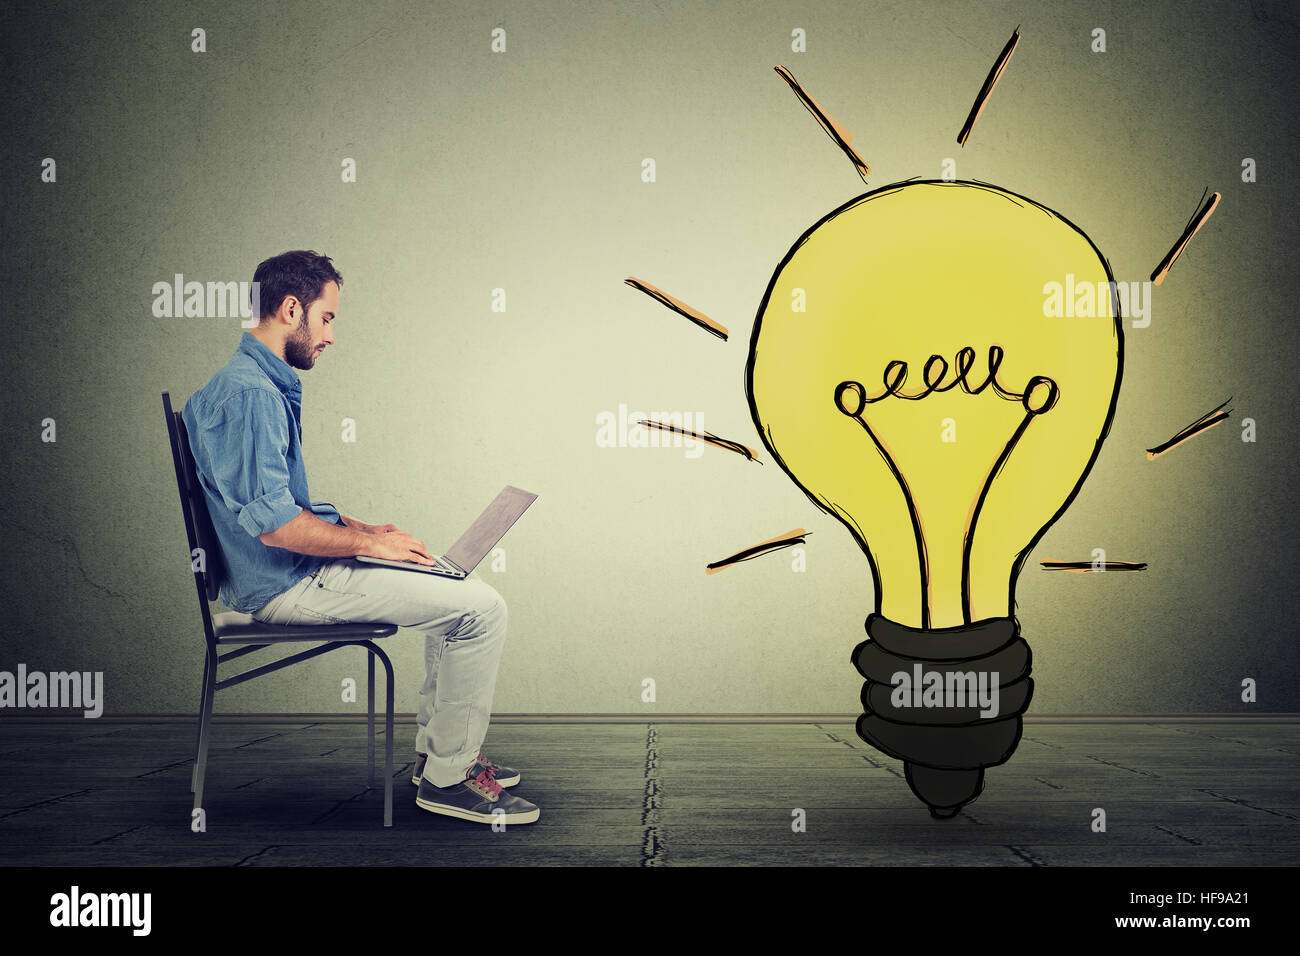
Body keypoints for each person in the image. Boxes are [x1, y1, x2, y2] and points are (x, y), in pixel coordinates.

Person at [181, 249, 539, 825]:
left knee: (450, 590)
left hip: (291, 571)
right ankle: (448, 777)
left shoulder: (254, 383)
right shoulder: (249, 395)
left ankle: (441, 755)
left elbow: (278, 504)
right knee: (484, 611)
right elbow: (276, 528)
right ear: (290, 308)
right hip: (284, 585)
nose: (330, 337)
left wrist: (361, 529)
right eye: (326, 319)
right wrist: (371, 548)